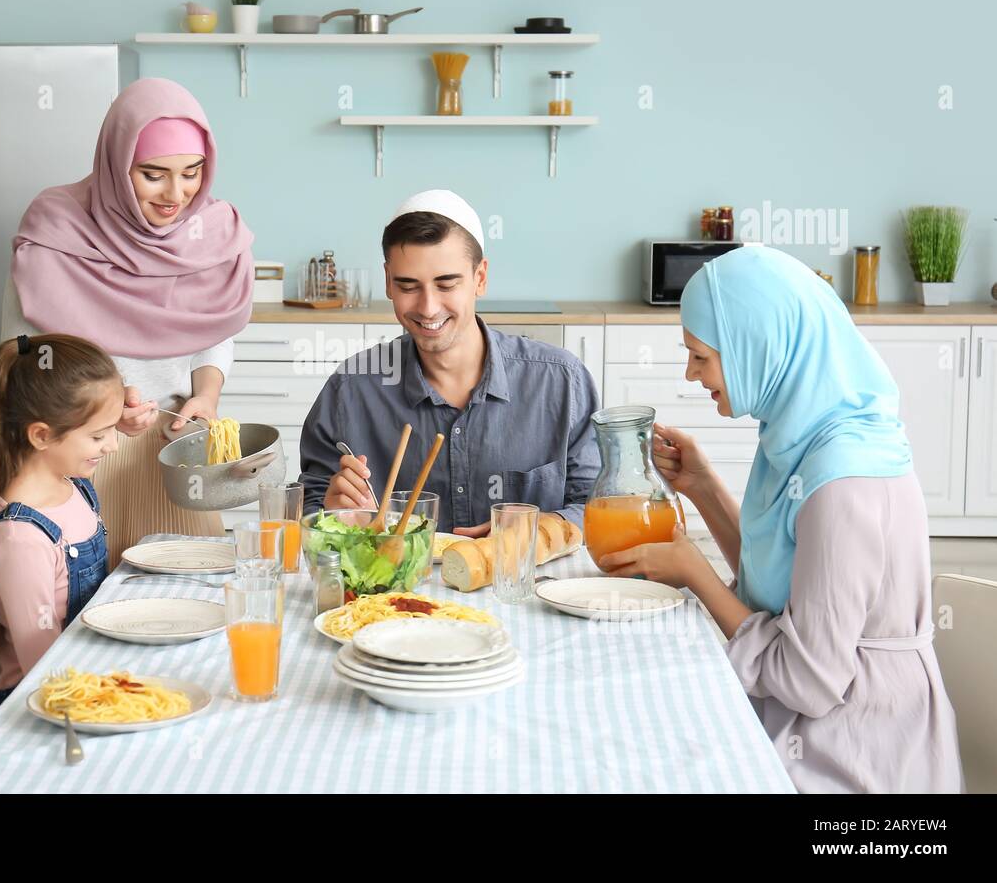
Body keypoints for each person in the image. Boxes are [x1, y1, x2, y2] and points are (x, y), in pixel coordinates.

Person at [595, 246, 964, 793]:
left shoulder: (845, 478)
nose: (690, 374)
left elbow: (807, 680)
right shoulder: (804, 431)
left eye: (700, 356)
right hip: (821, 719)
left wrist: (695, 574)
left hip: (859, 747)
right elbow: (789, 583)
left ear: (756, 345)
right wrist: (703, 486)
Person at [5, 77, 255, 554]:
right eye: (153, 173)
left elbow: (213, 326)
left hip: (180, 447)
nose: (176, 194)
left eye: (192, 172)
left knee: (191, 594)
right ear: (117, 163)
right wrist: (105, 404)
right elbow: (23, 357)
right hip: (83, 450)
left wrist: (206, 394)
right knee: (82, 603)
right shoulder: (56, 229)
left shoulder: (213, 230)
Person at [299, 189, 599, 535]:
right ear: (388, 282)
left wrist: (538, 530)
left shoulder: (561, 382)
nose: (428, 308)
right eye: (408, 286)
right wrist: (333, 516)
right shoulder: (350, 390)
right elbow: (311, 506)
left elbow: (598, 505)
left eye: (446, 284)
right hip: (391, 588)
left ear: (480, 278)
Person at [0, 334, 123, 749]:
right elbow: (47, 673)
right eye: (99, 436)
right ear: (41, 435)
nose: (113, 446)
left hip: (84, 686)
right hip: (36, 716)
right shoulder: (21, 538)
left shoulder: (75, 488)